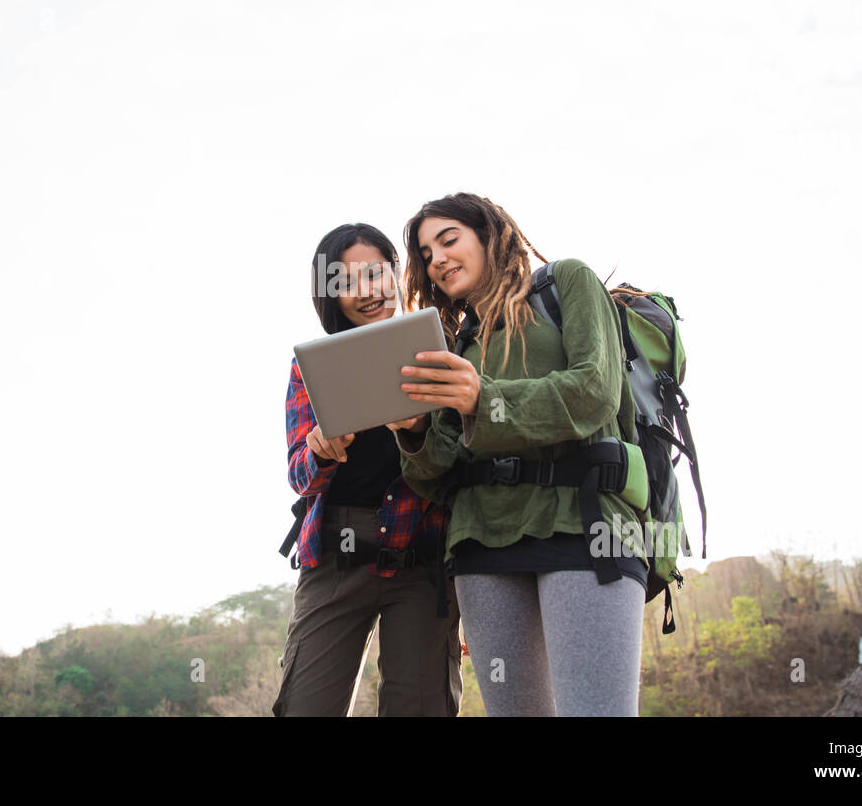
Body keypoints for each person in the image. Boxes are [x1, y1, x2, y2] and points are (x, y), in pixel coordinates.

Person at [386, 193, 647, 717]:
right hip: (481, 544)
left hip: (582, 524)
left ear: (490, 234)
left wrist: (484, 400)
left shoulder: (567, 282)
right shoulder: (454, 347)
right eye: (425, 251)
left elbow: (595, 391)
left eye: (448, 239)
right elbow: (436, 471)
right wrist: (413, 432)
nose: (436, 257)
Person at [273, 222, 463, 717]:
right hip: (336, 558)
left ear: (398, 274)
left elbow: (467, 457)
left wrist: (419, 429)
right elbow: (298, 474)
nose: (368, 292)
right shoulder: (310, 369)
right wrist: (319, 451)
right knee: (305, 706)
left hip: (423, 562)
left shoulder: (445, 350)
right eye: (348, 283)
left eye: (377, 274)